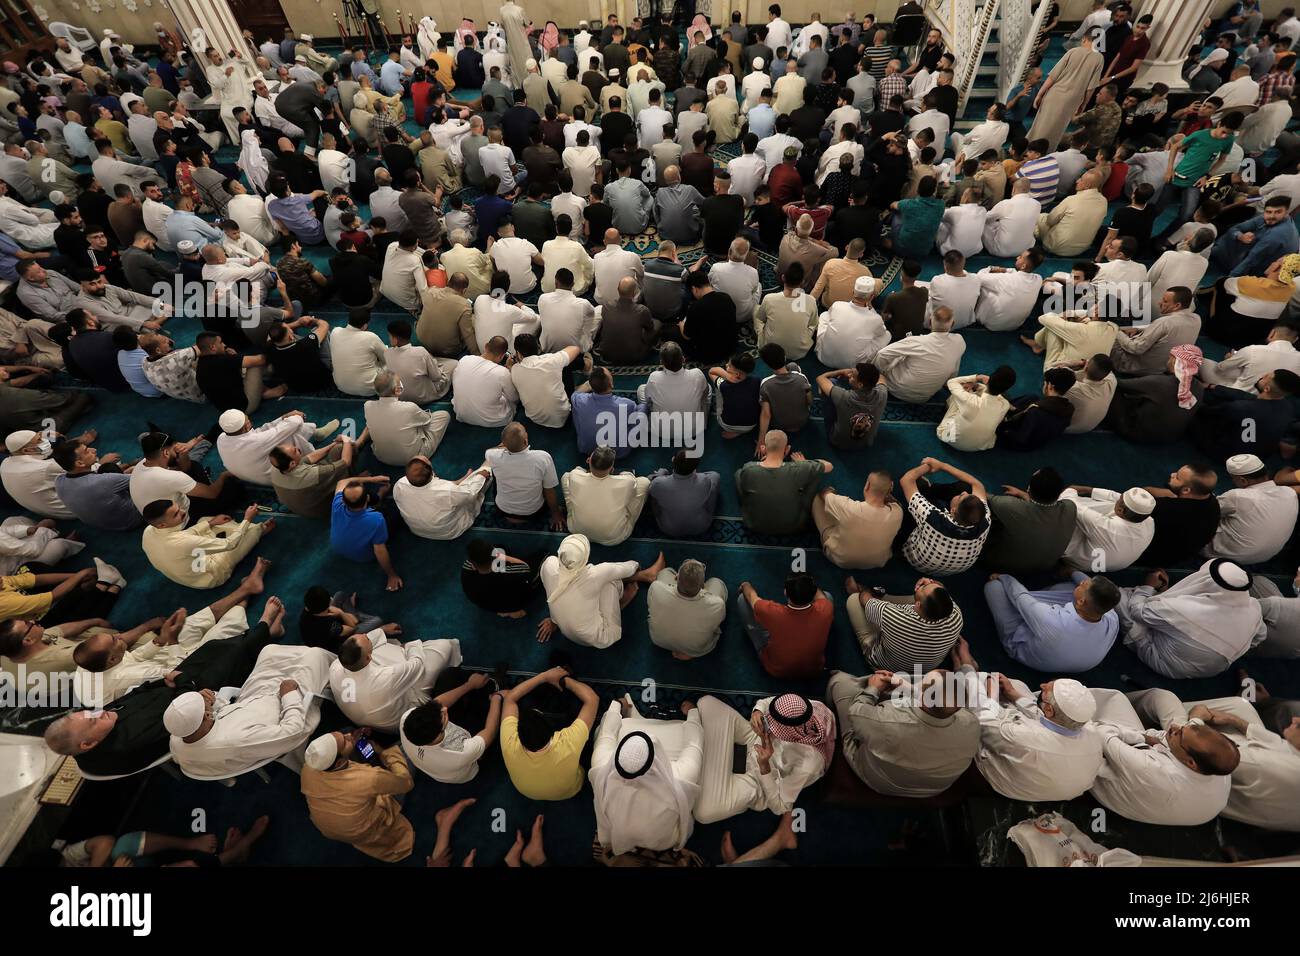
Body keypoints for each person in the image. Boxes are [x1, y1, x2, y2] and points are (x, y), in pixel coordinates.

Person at [42, 597, 286, 777]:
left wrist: (165, 679)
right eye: (92, 719)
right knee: (234, 654)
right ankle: (265, 624)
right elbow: (183, 719)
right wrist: (179, 682)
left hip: (177, 686)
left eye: (89, 712)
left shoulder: (102, 720)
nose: (98, 711)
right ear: (88, 744)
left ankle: (264, 633)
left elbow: (136, 693)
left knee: (210, 648)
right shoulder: (128, 742)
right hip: (198, 705)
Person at [955, 642, 1105, 801]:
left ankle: (963, 670)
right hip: (1049, 783)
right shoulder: (1091, 733)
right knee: (1017, 687)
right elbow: (1047, 720)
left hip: (1001, 784)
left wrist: (967, 666)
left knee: (972, 700)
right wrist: (1013, 693)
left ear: (1048, 710)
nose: (1041, 685)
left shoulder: (1021, 737)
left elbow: (982, 718)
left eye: (1046, 690)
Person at [165, 638, 333, 780]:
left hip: (248, 701)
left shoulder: (178, 737)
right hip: (286, 708)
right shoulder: (238, 741)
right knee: (315, 656)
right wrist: (288, 695)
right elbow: (292, 731)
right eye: (203, 705)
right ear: (205, 716)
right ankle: (345, 672)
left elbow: (220, 716)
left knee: (269, 651)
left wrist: (215, 702)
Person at [1089, 688, 1238, 826]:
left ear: (1191, 762)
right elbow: (1186, 735)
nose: (1174, 728)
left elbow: (1102, 735)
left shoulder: (1152, 769)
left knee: (1115, 699)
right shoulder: (1218, 766)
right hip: (1154, 772)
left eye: (1179, 734)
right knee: (1165, 697)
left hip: (1112, 780)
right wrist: (1196, 720)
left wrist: (1144, 738)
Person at [826, 668, 979, 798]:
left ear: (924, 699)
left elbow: (856, 714)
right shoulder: (972, 723)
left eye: (923, 683)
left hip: (879, 781)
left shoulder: (885, 720)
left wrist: (873, 689)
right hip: (933, 790)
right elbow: (939, 704)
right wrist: (905, 686)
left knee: (841, 682)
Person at [693, 692, 834, 824]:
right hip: (751, 737)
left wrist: (764, 765)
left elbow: (781, 807)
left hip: (758, 780)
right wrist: (758, 711)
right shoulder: (802, 706)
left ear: (790, 732)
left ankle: (707, 760)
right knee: (706, 703)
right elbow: (768, 702)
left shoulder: (809, 764)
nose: (768, 724)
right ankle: (711, 768)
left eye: (775, 727)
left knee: (703, 813)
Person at [590, 694, 703, 855]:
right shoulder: (680, 776)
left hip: (621, 835)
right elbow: (694, 743)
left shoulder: (601, 766)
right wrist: (692, 712)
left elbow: (606, 734)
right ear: (656, 754)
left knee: (599, 734)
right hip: (665, 841)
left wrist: (616, 705)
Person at [1117, 559, 1266, 679]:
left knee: (1122, 598)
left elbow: (1137, 611)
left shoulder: (1183, 610)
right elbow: (1259, 637)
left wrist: (1148, 586)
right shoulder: (1254, 608)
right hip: (1213, 671)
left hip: (1167, 663)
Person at [300, 727, 417, 862]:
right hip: (371, 828)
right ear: (339, 762)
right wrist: (385, 752)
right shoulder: (368, 778)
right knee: (407, 747)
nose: (348, 735)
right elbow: (406, 783)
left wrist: (352, 741)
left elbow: (344, 746)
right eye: (345, 741)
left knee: (348, 729)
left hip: (336, 831)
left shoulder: (308, 768)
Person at [539, 534, 666, 649]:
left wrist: (555, 620)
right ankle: (626, 598)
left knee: (590, 586)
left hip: (566, 631)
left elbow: (551, 591)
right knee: (609, 582)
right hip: (601, 637)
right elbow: (629, 568)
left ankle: (645, 576)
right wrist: (636, 565)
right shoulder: (594, 575)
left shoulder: (549, 564)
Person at [985, 567, 1121, 673]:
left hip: (1024, 650)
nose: (1084, 581)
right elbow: (1084, 584)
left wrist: (1003, 577)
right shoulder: (1112, 618)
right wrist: (1072, 571)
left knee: (994, 587)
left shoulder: (1051, 620)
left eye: (1085, 584)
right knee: (1069, 587)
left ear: (1081, 602)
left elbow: (1019, 596)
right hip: (1078, 663)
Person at [328, 628, 461, 733]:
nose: (365, 635)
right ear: (368, 659)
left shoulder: (336, 665)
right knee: (444, 646)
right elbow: (417, 663)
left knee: (384, 650)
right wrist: (409, 646)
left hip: (369, 716)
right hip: (405, 716)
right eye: (367, 638)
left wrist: (383, 630)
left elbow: (364, 643)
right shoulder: (384, 678)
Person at [500, 665, 599, 801]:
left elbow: (510, 699)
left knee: (525, 700)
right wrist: (560, 678)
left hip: (525, 791)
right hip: (571, 790)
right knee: (578, 710)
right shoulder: (568, 742)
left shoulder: (509, 741)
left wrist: (544, 677)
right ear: (552, 730)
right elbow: (592, 699)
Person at [844, 575, 963, 673]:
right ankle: (882, 600)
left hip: (885, 668)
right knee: (911, 599)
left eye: (923, 587)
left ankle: (872, 598)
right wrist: (931, 583)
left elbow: (865, 600)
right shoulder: (956, 615)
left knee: (854, 600)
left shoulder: (897, 617)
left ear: (918, 606)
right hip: (921, 670)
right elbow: (941, 593)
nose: (924, 584)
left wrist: (866, 591)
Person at [400, 670, 503, 784]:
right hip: (467, 764)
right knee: (489, 717)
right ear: (439, 732)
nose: (444, 709)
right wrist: (497, 698)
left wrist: (470, 684)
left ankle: (477, 685)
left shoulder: (407, 719)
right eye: (442, 716)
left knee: (448, 675)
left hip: (441, 764)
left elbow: (436, 704)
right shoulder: (461, 752)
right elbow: (490, 730)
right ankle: (496, 687)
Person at [898, 457, 991, 576]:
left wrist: (930, 466)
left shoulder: (932, 517)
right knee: (965, 486)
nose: (964, 493)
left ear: (952, 511)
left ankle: (925, 489)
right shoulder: (985, 520)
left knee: (915, 505)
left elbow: (906, 479)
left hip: (915, 561)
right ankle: (928, 489)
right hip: (956, 569)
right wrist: (942, 465)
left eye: (960, 497)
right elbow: (977, 485)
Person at [735, 574, 833, 679]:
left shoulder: (772, 612)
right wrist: (807, 584)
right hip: (814, 669)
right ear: (813, 592)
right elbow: (821, 596)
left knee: (742, 600)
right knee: (828, 596)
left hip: (777, 669)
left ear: (785, 592)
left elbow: (750, 595)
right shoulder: (826, 608)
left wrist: (746, 584)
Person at [735, 429, 832, 535]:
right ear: (787, 449)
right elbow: (829, 466)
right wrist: (805, 462)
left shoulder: (749, 468)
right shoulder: (800, 469)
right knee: (812, 478)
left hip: (753, 524)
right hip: (795, 526)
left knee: (739, 474)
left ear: (763, 449)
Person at [1207, 453, 1298, 564]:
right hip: (1267, 556)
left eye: (1233, 479)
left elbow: (1205, 510)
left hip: (1224, 556)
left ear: (1243, 481)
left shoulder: (1237, 496)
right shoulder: (1290, 493)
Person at [216, 408, 333, 486]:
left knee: (282, 431)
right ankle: (316, 457)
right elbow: (293, 424)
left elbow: (262, 431)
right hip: (272, 477)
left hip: (245, 474)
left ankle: (315, 433)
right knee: (292, 434)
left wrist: (284, 417)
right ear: (246, 426)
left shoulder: (221, 438)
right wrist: (299, 416)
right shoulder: (256, 441)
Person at [873, 306, 966, 403]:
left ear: (930, 322)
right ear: (953, 324)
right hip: (925, 397)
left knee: (899, 356)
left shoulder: (916, 341)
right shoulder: (959, 341)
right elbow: (955, 367)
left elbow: (882, 354)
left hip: (896, 389)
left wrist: (879, 372)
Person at [562, 447, 651, 546]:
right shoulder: (627, 481)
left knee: (565, 476)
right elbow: (631, 477)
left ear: (589, 461)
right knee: (644, 482)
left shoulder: (575, 475)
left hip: (577, 531)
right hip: (613, 538)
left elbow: (577, 470)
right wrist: (623, 473)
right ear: (611, 467)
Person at [363, 371, 451, 466]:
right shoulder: (409, 407)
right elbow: (427, 420)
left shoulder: (367, 406)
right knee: (443, 415)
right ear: (397, 390)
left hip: (381, 457)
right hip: (413, 459)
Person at [393, 455, 490, 542]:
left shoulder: (400, 484)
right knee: (484, 474)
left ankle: (463, 480)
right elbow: (470, 494)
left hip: (416, 530)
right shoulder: (448, 491)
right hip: (449, 531)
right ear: (432, 473)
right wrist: (481, 476)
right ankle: (496, 454)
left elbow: (439, 487)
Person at [646, 559, 728, 661]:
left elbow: (650, 604)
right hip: (696, 648)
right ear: (703, 586)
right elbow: (721, 620)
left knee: (665, 572)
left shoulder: (656, 587)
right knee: (717, 582)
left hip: (658, 640)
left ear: (676, 578)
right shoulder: (717, 605)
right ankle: (691, 653)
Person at [50, 439, 139, 531]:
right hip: (133, 518)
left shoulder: (59, 481)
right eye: (87, 451)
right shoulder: (103, 481)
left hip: (104, 524)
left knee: (107, 468)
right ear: (80, 463)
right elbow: (144, 477)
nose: (94, 450)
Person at [460, 539, 544, 620]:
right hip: (516, 602)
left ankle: (503, 611)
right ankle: (514, 611)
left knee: (500, 547)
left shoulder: (466, 570)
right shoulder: (510, 573)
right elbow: (525, 567)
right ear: (494, 558)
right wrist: (501, 556)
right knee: (543, 555)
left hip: (489, 604)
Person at [936, 367, 1015, 452]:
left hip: (948, 438)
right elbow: (996, 397)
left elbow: (951, 382)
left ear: (989, 379)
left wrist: (978, 377)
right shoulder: (1005, 405)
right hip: (980, 446)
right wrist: (976, 386)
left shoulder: (970, 399)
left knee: (957, 397)